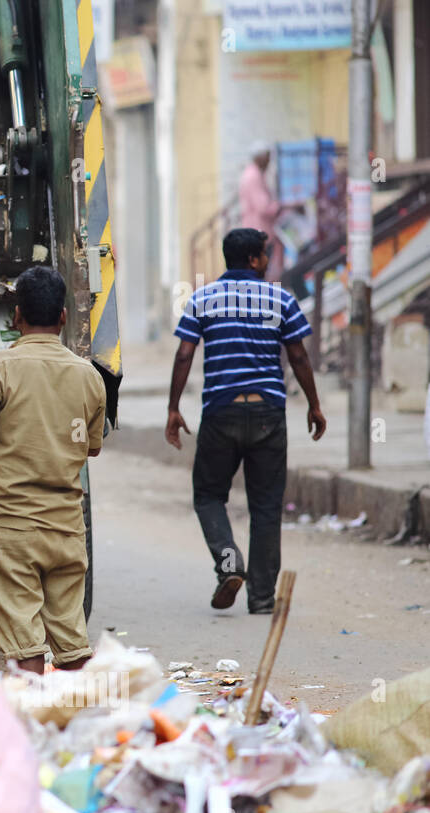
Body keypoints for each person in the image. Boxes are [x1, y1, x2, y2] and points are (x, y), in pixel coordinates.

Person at [166, 227, 325, 614]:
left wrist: (173, 408)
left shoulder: (202, 300)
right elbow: (300, 357)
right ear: (254, 260)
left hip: (221, 412)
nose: (267, 261)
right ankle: (262, 598)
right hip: (269, 412)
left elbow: (185, 355)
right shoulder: (280, 299)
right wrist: (314, 404)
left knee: (208, 495)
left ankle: (228, 563)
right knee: (267, 507)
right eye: (265, 255)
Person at [0, 266, 106, 675]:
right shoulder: (89, 375)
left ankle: (35, 728)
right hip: (66, 529)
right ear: (63, 317)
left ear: (17, 315)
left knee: (25, 644)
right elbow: (92, 447)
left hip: (10, 527)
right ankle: (79, 725)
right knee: (72, 644)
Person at [238, 142, 300, 282]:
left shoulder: (255, 174)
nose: (269, 161)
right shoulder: (253, 176)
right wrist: (285, 207)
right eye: (267, 157)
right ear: (260, 157)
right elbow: (264, 207)